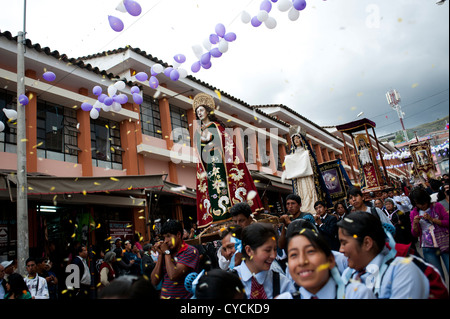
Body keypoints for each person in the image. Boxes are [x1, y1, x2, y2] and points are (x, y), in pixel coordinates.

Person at [193, 92, 263, 228]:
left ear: (207, 111)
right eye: (197, 112)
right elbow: (200, 153)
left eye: (201, 110)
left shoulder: (217, 127)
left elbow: (227, 146)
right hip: (210, 166)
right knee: (214, 191)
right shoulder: (199, 132)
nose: (199, 113)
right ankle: (219, 216)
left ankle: (234, 215)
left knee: (227, 187)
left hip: (222, 163)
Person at [338, 212, 430, 298]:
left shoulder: (401, 271)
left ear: (367, 243)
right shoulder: (348, 274)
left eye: (344, 243)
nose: (340, 250)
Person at [277, 228, 374, 299]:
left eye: (310, 251)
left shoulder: (356, 294)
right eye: (293, 255)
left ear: (331, 260)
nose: (302, 262)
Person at [233, 222, 296, 299]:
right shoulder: (228, 283)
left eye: (275, 249)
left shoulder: (282, 282)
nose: (273, 256)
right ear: (249, 250)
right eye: (267, 250)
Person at [151, 219, 200, 299]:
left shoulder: (190, 251)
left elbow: (173, 276)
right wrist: (160, 255)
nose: (166, 241)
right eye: (164, 237)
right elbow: (154, 281)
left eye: (169, 236)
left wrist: (166, 253)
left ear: (178, 234)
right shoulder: (166, 253)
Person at [409, 186, 449, 280]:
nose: (422, 206)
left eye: (423, 203)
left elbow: (447, 222)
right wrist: (415, 224)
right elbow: (415, 234)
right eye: (418, 204)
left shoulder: (437, 206)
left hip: (445, 242)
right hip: (428, 247)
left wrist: (432, 219)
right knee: (437, 277)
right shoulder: (413, 213)